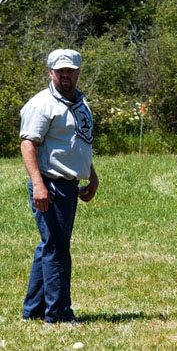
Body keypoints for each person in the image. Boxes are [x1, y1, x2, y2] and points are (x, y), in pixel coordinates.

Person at [20, 49, 99, 323]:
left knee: (50, 245)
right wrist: (39, 185)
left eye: (71, 70)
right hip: (50, 185)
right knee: (57, 250)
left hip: (68, 185)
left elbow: (77, 142)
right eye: (60, 70)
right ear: (51, 72)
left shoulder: (78, 102)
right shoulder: (42, 104)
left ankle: (34, 311)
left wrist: (92, 175)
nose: (66, 75)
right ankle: (59, 314)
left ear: (78, 72)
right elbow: (28, 144)